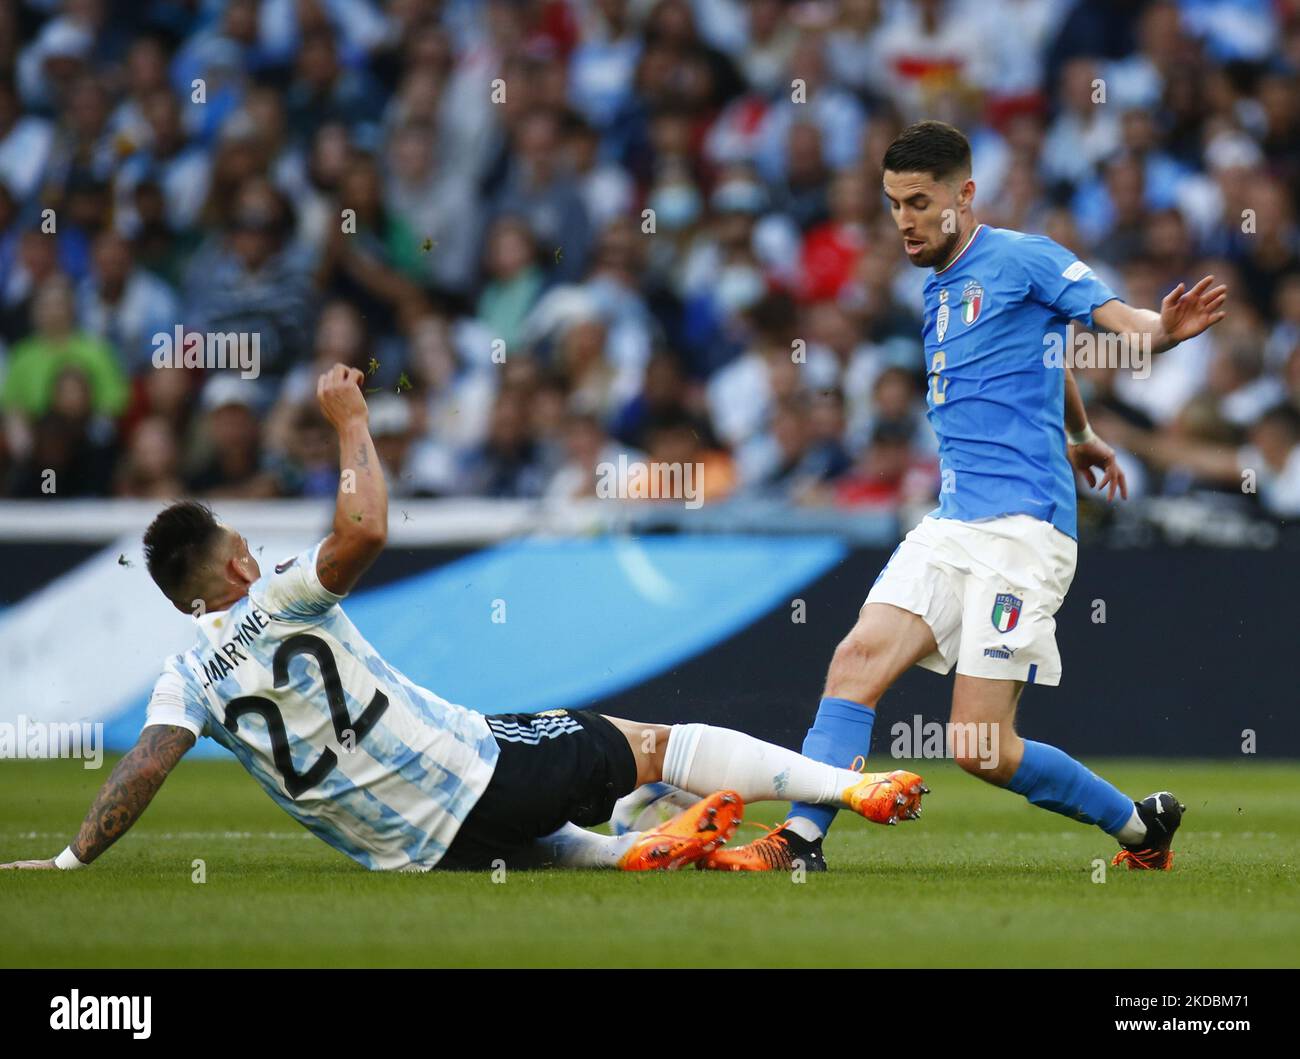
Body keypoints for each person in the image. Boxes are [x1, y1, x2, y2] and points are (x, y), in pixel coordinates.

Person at [1, 365, 927, 876]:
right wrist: (351, 420)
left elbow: (148, 764)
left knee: (554, 840)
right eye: (243, 543)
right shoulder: (282, 590)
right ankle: (854, 792)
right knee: (655, 742)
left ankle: (642, 853)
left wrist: (74, 857)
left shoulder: (184, 675)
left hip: (410, 852)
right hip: (469, 772)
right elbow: (364, 525)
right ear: (238, 565)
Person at [698, 121, 1227, 872]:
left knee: (979, 748)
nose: (904, 220)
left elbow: (1120, 327)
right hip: (952, 524)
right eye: (892, 204)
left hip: (1024, 532)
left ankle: (1139, 829)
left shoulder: (1023, 257)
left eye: (919, 201)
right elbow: (1047, 356)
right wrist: (1078, 433)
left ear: (964, 195)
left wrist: (1161, 334)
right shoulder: (938, 287)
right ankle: (800, 842)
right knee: (854, 662)